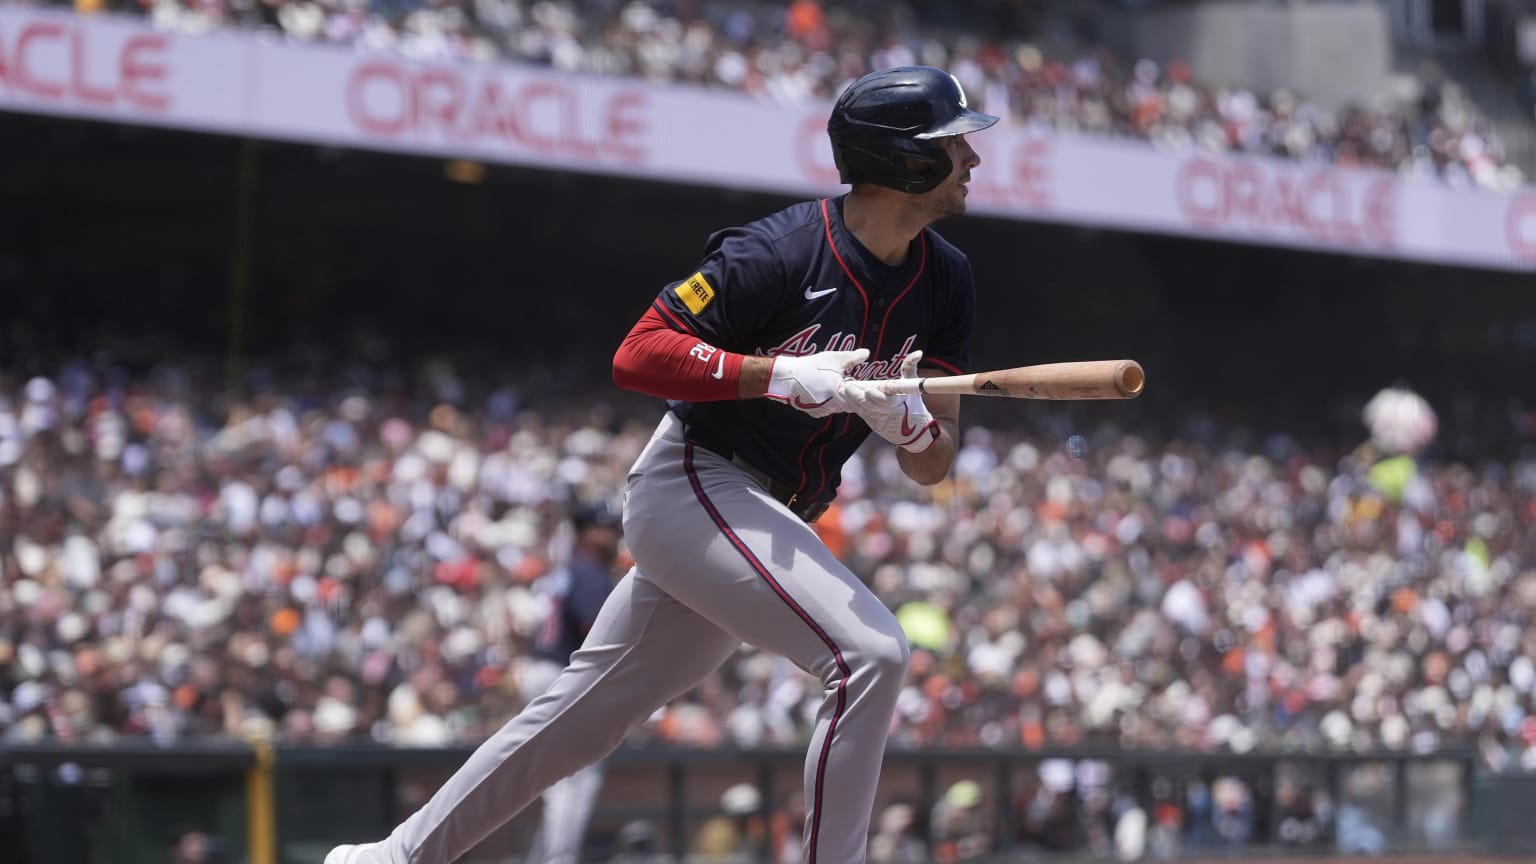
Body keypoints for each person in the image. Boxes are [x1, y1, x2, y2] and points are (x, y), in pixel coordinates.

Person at [325, 64, 996, 864]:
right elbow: (638, 352)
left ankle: (390, 857)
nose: (972, 160)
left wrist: (913, 429)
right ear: (904, 163)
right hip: (696, 479)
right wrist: (778, 374)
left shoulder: (947, 279)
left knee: (579, 719)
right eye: (953, 145)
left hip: (766, 517)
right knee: (871, 654)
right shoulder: (779, 251)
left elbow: (935, 464)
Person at [522, 502, 624, 864]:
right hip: (559, 674)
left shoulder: (569, 570)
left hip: (544, 671)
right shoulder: (588, 571)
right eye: (606, 528)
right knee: (576, 778)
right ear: (587, 534)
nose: (614, 534)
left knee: (560, 778)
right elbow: (594, 628)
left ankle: (545, 858)